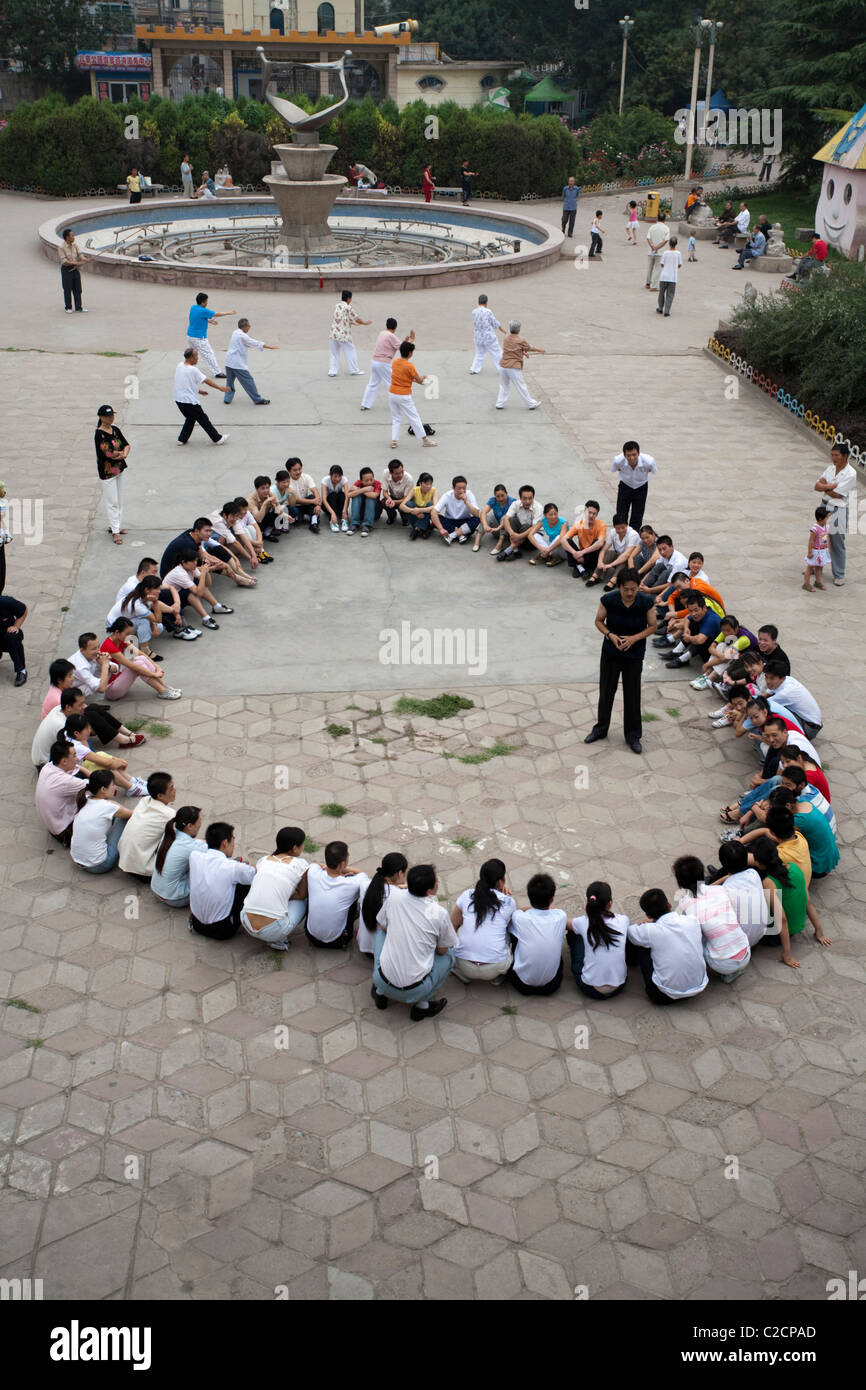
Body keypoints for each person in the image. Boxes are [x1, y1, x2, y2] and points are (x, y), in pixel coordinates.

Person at [370, 863, 456, 1019]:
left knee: (381, 934)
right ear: (431, 890)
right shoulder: (439, 913)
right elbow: (442, 950)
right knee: (450, 956)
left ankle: (380, 994)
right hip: (415, 990)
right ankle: (422, 1006)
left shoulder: (394, 897)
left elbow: (383, 926)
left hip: (380, 979)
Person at [585, 567, 656, 754]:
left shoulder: (646, 602)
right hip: (611, 652)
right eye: (626, 589)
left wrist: (634, 638)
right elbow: (599, 621)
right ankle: (600, 729)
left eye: (634, 589)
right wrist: (610, 635)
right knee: (606, 691)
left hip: (634, 654)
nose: (630, 593)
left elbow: (652, 626)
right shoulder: (608, 600)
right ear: (620, 587)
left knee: (632, 694)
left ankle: (633, 736)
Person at [672, 855, 751, 982]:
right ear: (702, 875)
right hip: (746, 952)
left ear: (680, 882)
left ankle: (726, 972)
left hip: (722, 964)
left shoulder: (685, 904)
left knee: (696, 934)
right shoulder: (720, 890)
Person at [627, 889, 708, 1004]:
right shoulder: (692, 920)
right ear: (669, 904)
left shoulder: (650, 930)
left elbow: (630, 932)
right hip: (699, 986)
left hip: (663, 995)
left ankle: (631, 963)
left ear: (648, 915)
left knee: (639, 944)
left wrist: (647, 923)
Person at [240, 826, 309, 950]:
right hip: (275, 930)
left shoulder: (263, 860)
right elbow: (302, 894)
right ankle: (278, 941)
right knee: (303, 901)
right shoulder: (301, 865)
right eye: (302, 844)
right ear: (294, 848)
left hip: (246, 922)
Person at [450, 858, 515, 983]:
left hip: (463, 964)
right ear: (501, 882)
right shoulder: (508, 902)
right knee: (504, 933)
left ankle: (461, 973)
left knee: (462, 929)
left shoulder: (466, 895)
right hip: (496, 967)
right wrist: (503, 894)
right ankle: (496, 978)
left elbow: (452, 925)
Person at [188, 821, 255, 939]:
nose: (234, 845)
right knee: (245, 884)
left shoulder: (194, 856)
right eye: (233, 840)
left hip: (197, 923)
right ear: (225, 843)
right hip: (222, 931)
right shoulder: (232, 867)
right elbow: (253, 874)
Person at [507, 873, 569, 995]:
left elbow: (518, 911)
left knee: (515, 933)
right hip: (551, 986)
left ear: (529, 896)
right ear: (552, 899)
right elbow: (555, 910)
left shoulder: (520, 918)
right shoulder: (561, 916)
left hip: (521, 984)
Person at [567, 882, 629, 999]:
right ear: (610, 903)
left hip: (590, 988)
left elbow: (565, 923)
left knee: (574, 933)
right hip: (619, 984)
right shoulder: (623, 920)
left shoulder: (582, 922)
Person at [306, 842, 369, 949]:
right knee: (353, 892)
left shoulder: (312, 873)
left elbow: (315, 864)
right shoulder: (351, 884)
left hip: (311, 936)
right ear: (342, 864)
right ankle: (353, 915)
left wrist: (329, 868)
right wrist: (344, 871)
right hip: (338, 941)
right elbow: (363, 875)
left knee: (313, 890)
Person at [100, 619, 182, 700]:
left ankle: (164, 687)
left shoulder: (120, 639)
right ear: (117, 632)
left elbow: (140, 653)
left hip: (117, 679)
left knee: (141, 658)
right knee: (137, 664)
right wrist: (154, 674)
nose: (129, 636)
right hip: (111, 690)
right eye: (127, 633)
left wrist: (157, 667)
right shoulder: (109, 646)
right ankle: (162, 691)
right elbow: (132, 666)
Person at [70, 769, 134, 874]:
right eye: (113, 785)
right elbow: (132, 814)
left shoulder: (85, 799)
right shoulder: (107, 807)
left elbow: (110, 806)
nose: (115, 787)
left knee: (114, 815)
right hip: (100, 865)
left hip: (78, 861)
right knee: (123, 819)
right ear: (103, 789)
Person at [814, 442, 857, 586]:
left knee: (837, 542)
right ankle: (816, 565)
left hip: (838, 509)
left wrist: (824, 488)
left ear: (845, 456)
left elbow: (837, 495)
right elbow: (817, 486)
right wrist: (830, 487)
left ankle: (839, 574)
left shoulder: (851, 474)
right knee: (821, 538)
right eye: (832, 455)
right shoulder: (830, 469)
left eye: (836, 455)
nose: (833, 458)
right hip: (824, 507)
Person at [118, 771, 177, 876]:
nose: (175, 790)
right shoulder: (169, 815)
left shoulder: (144, 800)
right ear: (160, 796)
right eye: (171, 788)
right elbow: (183, 839)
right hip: (142, 871)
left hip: (124, 859)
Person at [161, 549, 231, 633]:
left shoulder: (191, 568)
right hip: (169, 604)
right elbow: (199, 592)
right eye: (193, 561)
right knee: (191, 592)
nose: (195, 563)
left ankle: (216, 606)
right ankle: (206, 618)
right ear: (184, 562)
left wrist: (206, 570)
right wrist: (204, 572)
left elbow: (208, 583)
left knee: (199, 586)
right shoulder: (179, 573)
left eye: (196, 561)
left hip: (177, 599)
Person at [173, 348, 230, 446]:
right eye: (196, 356)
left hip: (179, 400)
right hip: (189, 401)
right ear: (191, 358)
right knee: (203, 419)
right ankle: (217, 438)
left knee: (190, 418)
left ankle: (182, 439)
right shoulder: (193, 370)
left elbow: (184, 383)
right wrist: (220, 388)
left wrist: (199, 391)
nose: (197, 359)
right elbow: (207, 380)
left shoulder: (179, 366)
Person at [151, 806, 205, 907]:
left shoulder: (169, 834)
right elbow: (212, 853)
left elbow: (192, 844)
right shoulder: (189, 846)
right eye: (199, 821)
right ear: (189, 826)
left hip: (157, 889)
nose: (200, 823)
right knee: (207, 869)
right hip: (175, 899)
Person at [388, 341, 437, 449]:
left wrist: (415, 379)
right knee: (414, 418)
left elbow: (402, 377)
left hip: (392, 393)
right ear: (410, 353)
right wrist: (423, 379)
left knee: (396, 418)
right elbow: (418, 380)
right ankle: (425, 440)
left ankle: (394, 441)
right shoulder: (409, 365)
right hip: (404, 395)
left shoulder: (395, 362)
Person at [357, 851, 408, 954]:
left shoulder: (365, 886)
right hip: (382, 953)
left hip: (364, 945)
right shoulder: (400, 897)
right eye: (405, 872)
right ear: (399, 873)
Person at [35, 741, 83, 845]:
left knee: (80, 777)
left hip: (52, 826)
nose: (78, 758)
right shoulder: (65, 781)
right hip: (65, 832)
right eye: (74, 755)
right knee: (100, 802)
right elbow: (96, 785)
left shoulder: (47, 767)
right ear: (64, 761)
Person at [107, 574, 169, 655]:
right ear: (147, 589)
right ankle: (145, 651)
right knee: (144, 621)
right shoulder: (137, 605)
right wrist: (155, 602)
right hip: (114, 627)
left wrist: (174, 611)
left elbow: (155, 619)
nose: (159, 591)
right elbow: (158, 619)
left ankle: (133, 638)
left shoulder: (142, 594)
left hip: (125, 621)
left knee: (159, 627)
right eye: (156, 589)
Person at [94, 404, 129, 545]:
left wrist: (123, 453)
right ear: (101, 417)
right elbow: (108, 453)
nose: (111, 417)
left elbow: (126, 445)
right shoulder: (99, 434)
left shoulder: (115, 430)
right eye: (108, 416)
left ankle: (116, 525)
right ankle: (115, 532)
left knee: (120, 499)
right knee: (112, 502)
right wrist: (120, 454)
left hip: (119, 468)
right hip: (107, 472)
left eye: (112, 415)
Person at [223, 318, 277, 406]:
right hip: (237, 364)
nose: (249, 327)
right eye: (249, 326)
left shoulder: (235, 332)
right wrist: (269, 347)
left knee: (229, 382)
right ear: (244, 327)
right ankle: (257, 399)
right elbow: (254, 343)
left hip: (229, 362)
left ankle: (227, 398)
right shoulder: (243, 336)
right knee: (249, 381)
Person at [762, 661, 823, 739]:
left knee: (770, 713)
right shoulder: (788, 679)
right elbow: (767, 693)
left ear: (782, 678)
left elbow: (762, 705)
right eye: (766, 677)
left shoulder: (786, 693)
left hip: (809, 728)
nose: (768, 681)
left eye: (772, 678)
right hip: (813, 722)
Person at [663, 591, 722, 669]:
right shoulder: (703, 612)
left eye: (696, 610)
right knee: (692, 623)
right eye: (690, 611)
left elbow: (700, 640)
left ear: (704, 608)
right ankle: (678, 651)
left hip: (713, 654)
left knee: (700, 637)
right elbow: (688, 618)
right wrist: (686, 629)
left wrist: (688, 638)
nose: (693, 613)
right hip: (706, 646)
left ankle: (684, 658)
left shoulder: (711, 619)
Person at [362, 319, 413, 409]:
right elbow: (402, 348)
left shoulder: (382, 333)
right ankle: (396, 404)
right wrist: (410, 341)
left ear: (386, 325)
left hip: (374, 361)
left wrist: (405, 341)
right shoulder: (391, 336)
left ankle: (365, 404)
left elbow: (398, 345)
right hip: (383, 363)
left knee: (373, 383)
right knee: (392, 383)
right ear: (395, 327)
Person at [495, 320, 545, 410]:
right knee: (521, 386)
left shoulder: (506, 337)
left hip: (503, 365)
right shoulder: (521, 340)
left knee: (504, 386)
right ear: (519, 329)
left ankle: (500, 403)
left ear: (510, 329)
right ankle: (531, 404)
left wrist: (523, 352)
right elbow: (529, 348)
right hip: (513, 366)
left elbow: (512, 348)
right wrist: (540, 350)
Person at [610, 441, 657, 530]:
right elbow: (616, 469)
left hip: (641, 487)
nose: (631, 458)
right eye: (628, 455)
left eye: (634, 455)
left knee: (637, 515)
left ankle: (633, 538)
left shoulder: (649, 461)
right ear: (624, 455)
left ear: (638, 453)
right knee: (621, 514)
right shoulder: (618, 460)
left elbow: (652, 470)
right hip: (625, 486)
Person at [584, 514, 640, 589]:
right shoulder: (612, 532)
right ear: (614, 527)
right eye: (618, 528)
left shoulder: (633, 534)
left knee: (624, 557)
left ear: (627, 525)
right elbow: (604, 550)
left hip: (629, 559)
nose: (620, 530)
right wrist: (600, 562)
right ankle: (596, 574)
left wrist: (610, 565)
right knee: (608, 553)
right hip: (618, 555)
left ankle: (614, 579)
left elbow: (626, 554)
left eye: (623, 527)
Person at [186, 292, 234, 378]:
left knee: (191, 354)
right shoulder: (203, 310)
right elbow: (216, 314)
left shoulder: (193, 308)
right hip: (199, 338)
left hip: (190, 336)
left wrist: (208, 321)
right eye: (207, 301)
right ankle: (217, 372)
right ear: (203, 302)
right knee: (209, 354)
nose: (207, 303)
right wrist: (229, 313)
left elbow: (197, 317)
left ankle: (189, 369)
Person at [562, 498, 607, 579]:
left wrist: (582, 552)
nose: (591, 515)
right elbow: (563, 540)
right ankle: (580, 566)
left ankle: (580, 565)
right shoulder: (579, 524)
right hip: (580, 554)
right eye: (589, 512)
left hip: (592, 555)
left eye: (594, 513)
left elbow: (600, 543)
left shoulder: (602, 525)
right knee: (567, 541)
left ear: (597, 514)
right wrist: (574, 553)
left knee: (597, 542)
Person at [329, 290, 370, 376]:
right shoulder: (348, 307)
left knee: (334, 353)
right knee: (350, 351)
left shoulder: (337, 306)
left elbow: (342, 318)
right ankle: (354, 370)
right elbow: (356, 318)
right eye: (351, 298)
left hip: (333, 333)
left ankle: (332, 371)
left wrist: (352, 323)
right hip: (343, 335)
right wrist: (364, 323)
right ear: (348, 298)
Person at [431, 475, 481, 545]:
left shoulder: (469, 494)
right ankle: (461, 534)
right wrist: (441, 529)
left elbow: (476, 513)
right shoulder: (447, 496)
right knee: (434, 518)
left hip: (465, 521)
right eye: (459, 488)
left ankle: (452, 535)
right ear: (453, 488)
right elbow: (434, 512)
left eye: (464, 488)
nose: (462, 491)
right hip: (450, 521)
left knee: (478, 519)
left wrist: (466, 502)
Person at [497, 484, 543, 562]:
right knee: (511, 520)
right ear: (520, 498)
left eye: (530, 498)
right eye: (524, 498)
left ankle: (510, 549)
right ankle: (516, 551)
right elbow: (505, 519)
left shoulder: (538, 508)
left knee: (526, 526)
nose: (527, 501)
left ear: (533, 497)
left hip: (532, 540)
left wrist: (519, 536)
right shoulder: (516, 504)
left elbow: (534, 528)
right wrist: (512, 533)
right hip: (517, 536)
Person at [284, 458, 323, 532]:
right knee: (291, 509)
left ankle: (313, 523)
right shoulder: (286, 482)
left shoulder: (306, 477)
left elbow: (315, 490)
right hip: (293, 506)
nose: (298, 472)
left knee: (313, 496)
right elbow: (296, 500)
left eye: (299, 469)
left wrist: (318, 504)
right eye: (295, 470)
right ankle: (306, 517)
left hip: (305, 504)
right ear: (289, 471)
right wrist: (313, 502)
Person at [470, 294, 504, 375]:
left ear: (478, 302)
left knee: (479, 353)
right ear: (486, 302)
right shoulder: (488, 311)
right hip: (488, 336)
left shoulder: (474, 312)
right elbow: (494, 323)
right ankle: (503, 369)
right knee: (497, 352)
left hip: (478, 336)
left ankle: (475, 369)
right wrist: (502, 330)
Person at [527, 502, 568, 566]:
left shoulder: (563, 523)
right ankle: (547, 554)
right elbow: (530, 535)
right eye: (550, 515)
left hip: (563, 549)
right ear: (545, 514)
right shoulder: (543, 521)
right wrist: (541, 548)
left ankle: (546, 556)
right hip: (551, 547)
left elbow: (561, 539)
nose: (553, 517)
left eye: (555, 514)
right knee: (535, 535)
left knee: (560, 537)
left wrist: (548, 550)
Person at [0, 593, 28, 686]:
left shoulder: (5, 601)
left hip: (7, 637)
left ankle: (21, 671)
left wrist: (16, 626)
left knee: (13, 636)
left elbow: (23, 610)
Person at [479, 484, 515, 556]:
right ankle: (478, 538)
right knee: (488, 515)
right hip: (496, 530)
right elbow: (483, 512)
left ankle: (500, 543)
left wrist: (500, 527)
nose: (500, 498)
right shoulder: (493, 500)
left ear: (506, 494)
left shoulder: (513, 502)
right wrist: (485, 525)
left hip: (508, 532)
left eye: (502, 495)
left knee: (505, 517)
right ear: (495, 496)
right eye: (498, 496)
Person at [59, 228, 88, 313]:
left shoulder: (75, 245)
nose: (73, 237)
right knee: (67, 289)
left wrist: (84, 259)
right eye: (72, 235)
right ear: (67, 237)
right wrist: (76, 263)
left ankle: (79, 307)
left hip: (75, 269)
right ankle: (68, 307)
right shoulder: (61, 247)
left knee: (78, 288)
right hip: (66, 269)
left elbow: (80, 254)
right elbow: (64, 261)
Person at [400, 472, 438, 538]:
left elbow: (436, 506)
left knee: (430, 504)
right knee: (408, 504)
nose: (429, 486)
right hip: (416, 515)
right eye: (426, 484)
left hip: (426, 514)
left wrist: (419, 510)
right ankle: (424, 529)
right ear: (420, 483)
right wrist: (413, 511)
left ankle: (417, 529)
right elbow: (402, 505)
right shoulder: (414, 490)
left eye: (430, 484)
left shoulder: (434, 491)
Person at [803, 505, 831, 591]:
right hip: (815, 551)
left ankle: (817, 582)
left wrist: (827, 547)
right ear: (820, 519)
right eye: (826, 518)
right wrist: (810, 552)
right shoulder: (815, 529)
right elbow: (811, 541)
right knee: (810, 567)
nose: (827, 519)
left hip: (822, 551)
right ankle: (806, 584)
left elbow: (825, 537)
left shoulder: (826, 526)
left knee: (819, 567)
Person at [348, 466, 381, 536]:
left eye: (371, 479)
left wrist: (358, 490)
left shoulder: (377, 483)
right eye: (366, 480)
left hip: (375, 512)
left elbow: (374, 495)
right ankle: (354, 523)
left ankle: (367, 525)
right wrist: (364, 490)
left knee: (370, 498)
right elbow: (349, 495)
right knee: (356, 496)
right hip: (362, 511)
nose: (369, 482)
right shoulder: (358, 483)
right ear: (361, 481)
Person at [380, 460, 413, 527]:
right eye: (397, 473)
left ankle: (405, 518)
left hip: (405, 499)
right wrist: (389, 499)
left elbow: (406, 498)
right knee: (383, 502)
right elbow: (385, 492)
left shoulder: (409, 479)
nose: (400, 475)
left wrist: (394, 502)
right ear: (390, 473)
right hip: (393, 496)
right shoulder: (385, 473)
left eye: (402, 472)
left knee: (403, 507)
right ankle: (392, 516)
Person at [656, 237, 682, 315]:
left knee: (661, 293)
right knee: (670, 295)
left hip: (664, 276)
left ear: (669, 244)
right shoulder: (678, 253)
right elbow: (679, 265)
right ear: (676, 244)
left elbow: (662, 264)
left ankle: (660, 308)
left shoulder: (665, 253)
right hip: (673, 277)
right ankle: (667, 311)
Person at [321, 464, 349, 533]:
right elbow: (324, 500)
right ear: (330, 476)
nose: (338, 479)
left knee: (342, 494)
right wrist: (332, 513)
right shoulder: (325, 480)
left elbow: (347, 496)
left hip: (339, 505)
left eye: (339, 476)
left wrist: (344, 510)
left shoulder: (344, 480)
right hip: (328, 505)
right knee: (333, 494)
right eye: (335, 476)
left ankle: (344, 519)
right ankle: (333, 521)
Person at [645, 214, 669, 291]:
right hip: (660, 251)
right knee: (657, 269)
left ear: (657, 219)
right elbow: (665, 241)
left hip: (651, 251)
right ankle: (654, 285)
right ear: (664, 220)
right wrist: (657, 247)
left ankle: (648, 283)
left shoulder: (652, 227)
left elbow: (648, 238)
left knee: (650, 267)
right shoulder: (666, 228)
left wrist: (652, 246)